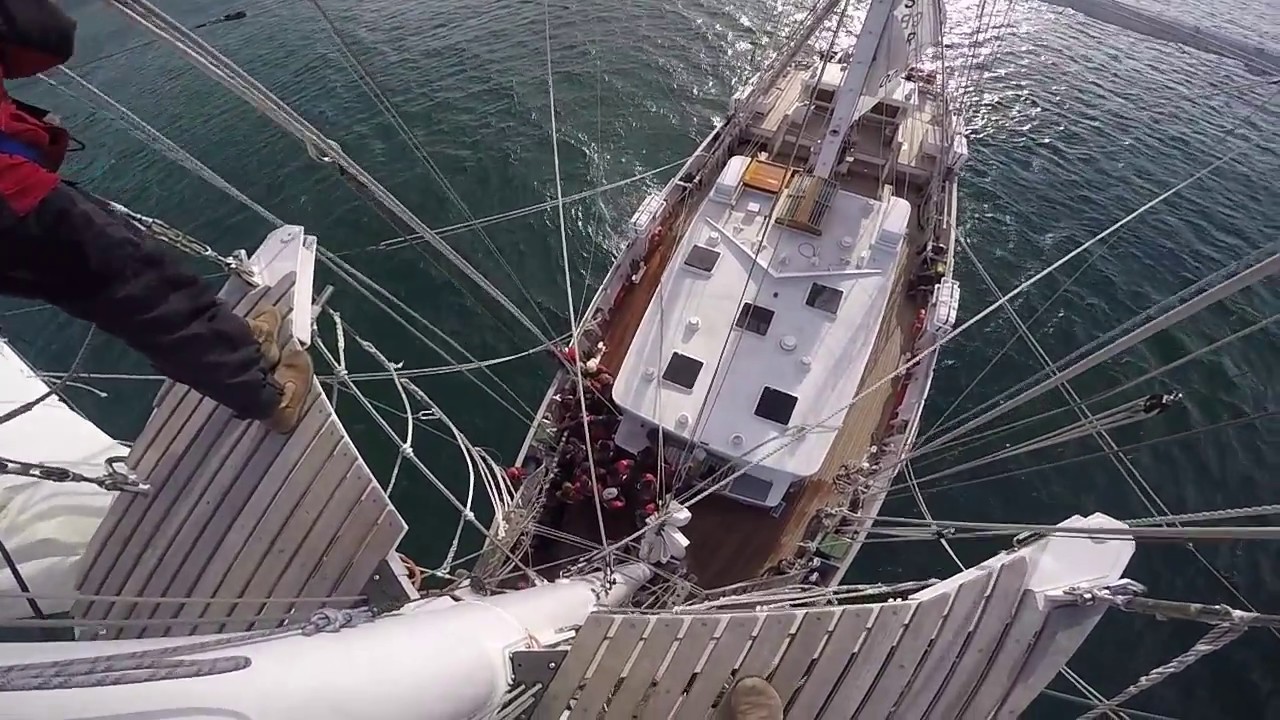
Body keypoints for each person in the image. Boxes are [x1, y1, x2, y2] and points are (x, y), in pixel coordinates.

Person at [0, 5, 313, 432]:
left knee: (117, 276)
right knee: (143, 288)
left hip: (13, 196)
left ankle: (239, 346)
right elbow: (47, 37)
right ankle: (268, 398)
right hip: (11, 194)